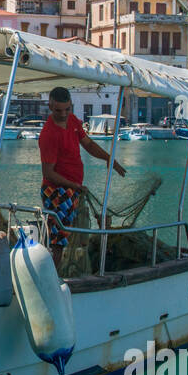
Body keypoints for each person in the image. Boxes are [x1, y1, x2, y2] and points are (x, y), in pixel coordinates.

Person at [39, 87, 125, 266]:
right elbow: (48, 173)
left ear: (71, 105)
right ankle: (54, 279)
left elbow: (88, 144)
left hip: (73, 189)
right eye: (58, 110)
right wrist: (73, 185)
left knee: (69, 235)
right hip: (55, 191)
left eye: (67, 109)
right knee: (58, 240)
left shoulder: (73, 121)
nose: (63, 114)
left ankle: (63, 272)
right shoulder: (49, 134)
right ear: (50, 106)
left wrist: (109, 158)